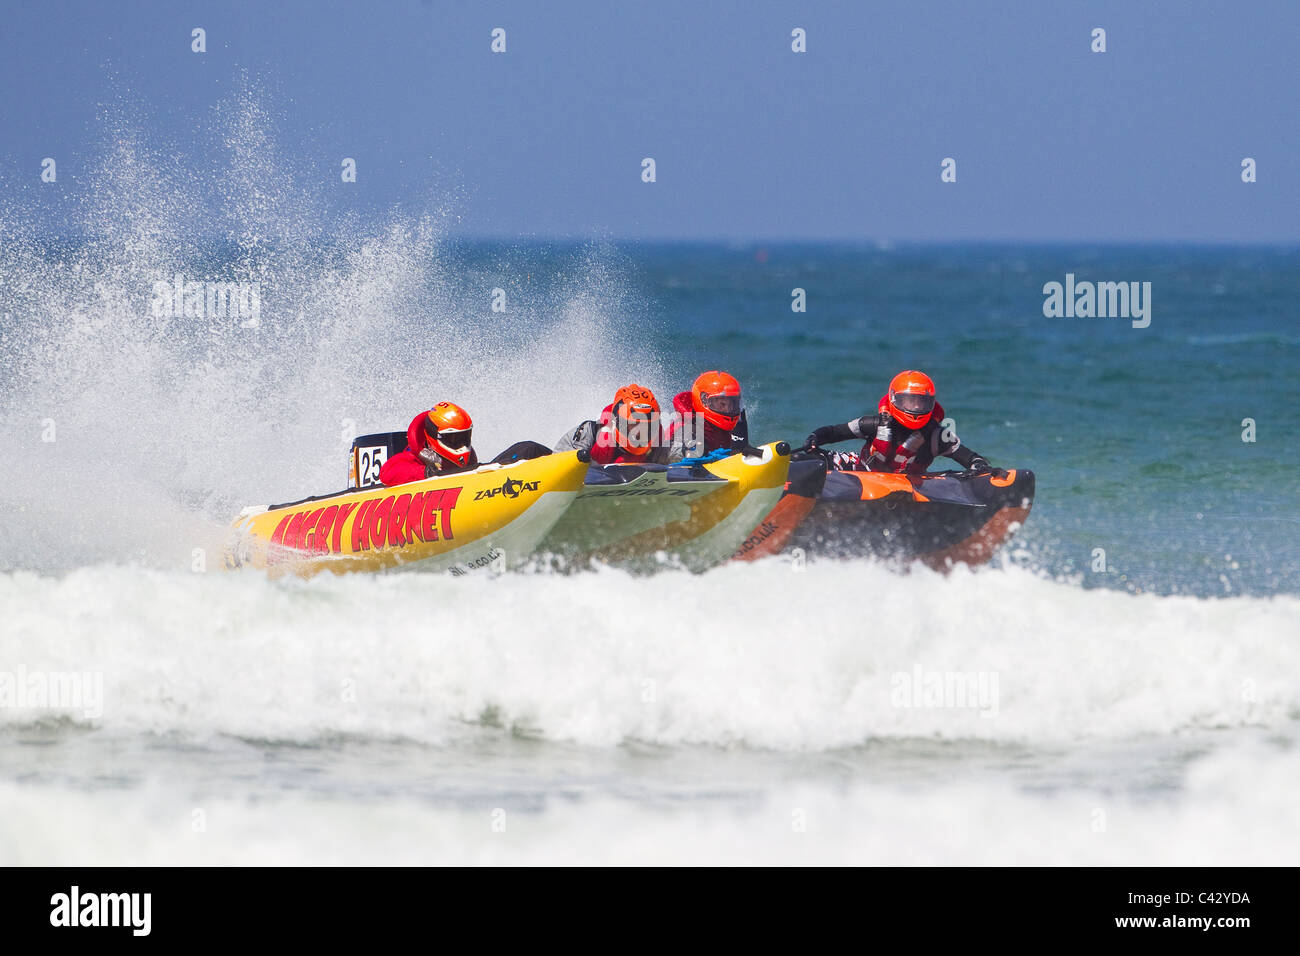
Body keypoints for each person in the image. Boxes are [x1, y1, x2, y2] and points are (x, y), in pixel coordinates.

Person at [804, 370, 1003, 475]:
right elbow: (833, 432)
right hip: (861, 473)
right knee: (809, 460)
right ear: (894, 399)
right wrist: (814, 438)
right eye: (910, 401)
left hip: (909, 486)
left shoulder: (937, 436)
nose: (916, 408)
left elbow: (972, 458)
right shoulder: (874, 424)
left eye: (921, 402)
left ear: (931, 403)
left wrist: (982, 469)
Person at [554, 383, 670, 465]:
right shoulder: (589, 433)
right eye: (633, 424)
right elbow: (556, 468)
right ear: (617, 421)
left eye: (647, 426)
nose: (639, 432)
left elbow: (677, 458)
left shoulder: (658, 444)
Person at [379, 402, 479, 486]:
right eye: (452, 438)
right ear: (434, 436)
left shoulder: (468, 457)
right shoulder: (414, 456)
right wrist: (427, 472)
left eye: (463, 437)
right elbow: (386, 473)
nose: (461, 445)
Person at [665, 370, 750, 461]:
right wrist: (692, 452)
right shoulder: (685, 427)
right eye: (722, 404)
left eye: (732, 404)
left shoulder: (732, 424)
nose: (728, 410)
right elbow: (673, 460)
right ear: (704, 401)